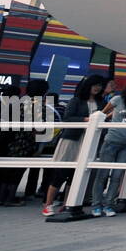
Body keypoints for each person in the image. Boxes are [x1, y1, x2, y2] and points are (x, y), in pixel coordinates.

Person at [42, 74, 107, 216]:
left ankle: (68, 203)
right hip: (72, 139)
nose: (97, 88)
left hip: (89, 141)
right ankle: (48, 204)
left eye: (100, 85)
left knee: (76, 174)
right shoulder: (76, 100)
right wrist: (86, 119)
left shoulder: (101, 102)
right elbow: (68, 117)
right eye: (95, 84)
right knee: (60, 173)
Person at [90, 73, 126, 216]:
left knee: (117, 175)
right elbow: (103, 114)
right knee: (102, 174)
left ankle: (109, 204)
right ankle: (96, 205)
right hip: (112, 140)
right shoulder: (117, 99)